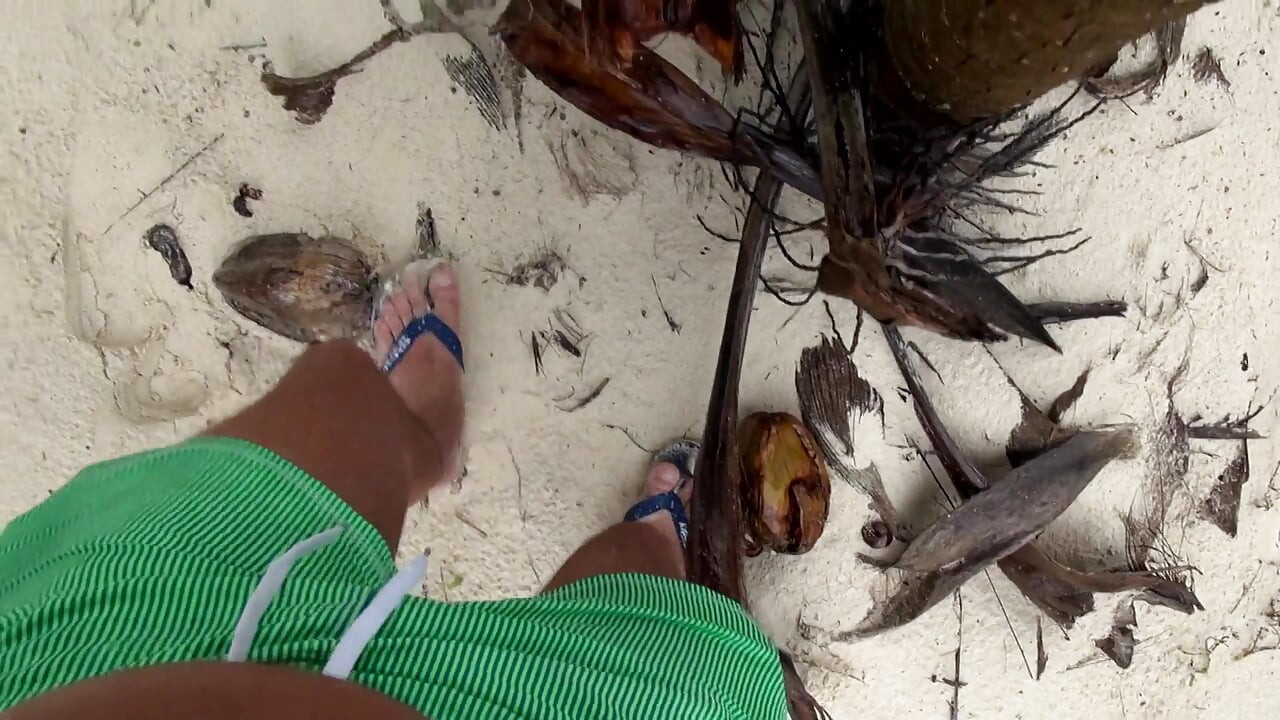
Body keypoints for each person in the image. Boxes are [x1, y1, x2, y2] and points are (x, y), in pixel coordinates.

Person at [0, 260, 787, 719]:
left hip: (95, 651)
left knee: (336, 388)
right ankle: (654, 542)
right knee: (646, 614)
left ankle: (424, 431)